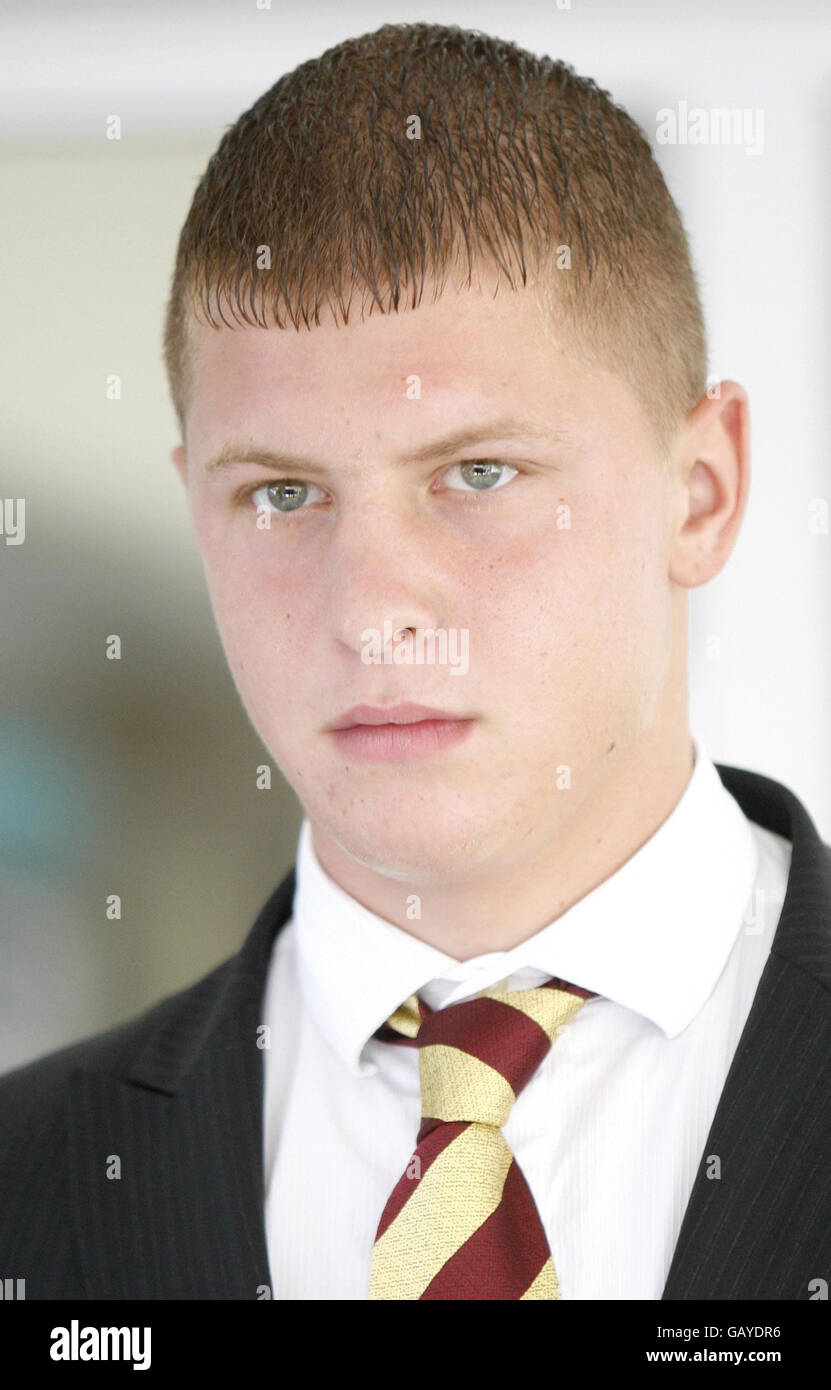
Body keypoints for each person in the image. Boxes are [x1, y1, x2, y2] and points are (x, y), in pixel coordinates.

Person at [1, 21, 829, 1302]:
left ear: (703, 490)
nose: (372, 612)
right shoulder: (25, 1183)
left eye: (479, 472)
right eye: (281, 494)